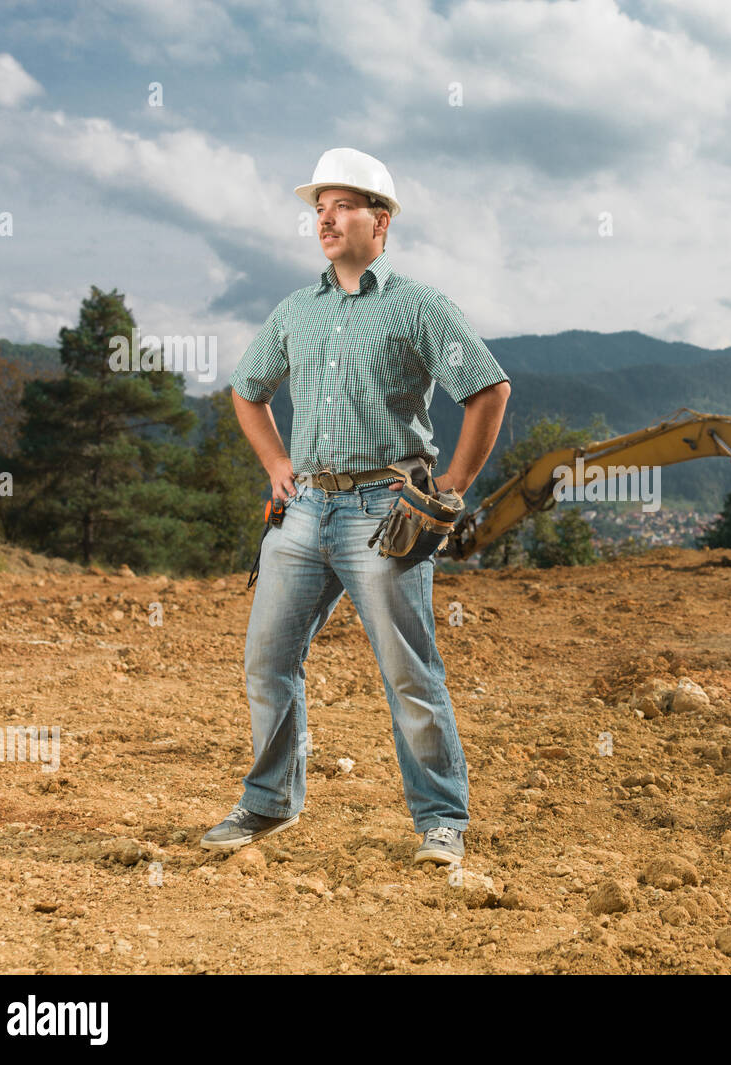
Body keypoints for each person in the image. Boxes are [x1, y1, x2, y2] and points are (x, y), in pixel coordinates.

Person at [200, 148, 511, 868]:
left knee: (408, 669)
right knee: (268, 661)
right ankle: (270, 802)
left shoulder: (418, 305)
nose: (325, 219)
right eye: (319, 208)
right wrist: (277, 465)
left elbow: (488, 390)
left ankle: (440, 819)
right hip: (303, 507)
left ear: (382, 219)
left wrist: (451, 488)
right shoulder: (294, 311)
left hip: (387, 508)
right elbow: (248, 390)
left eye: (342, 206)